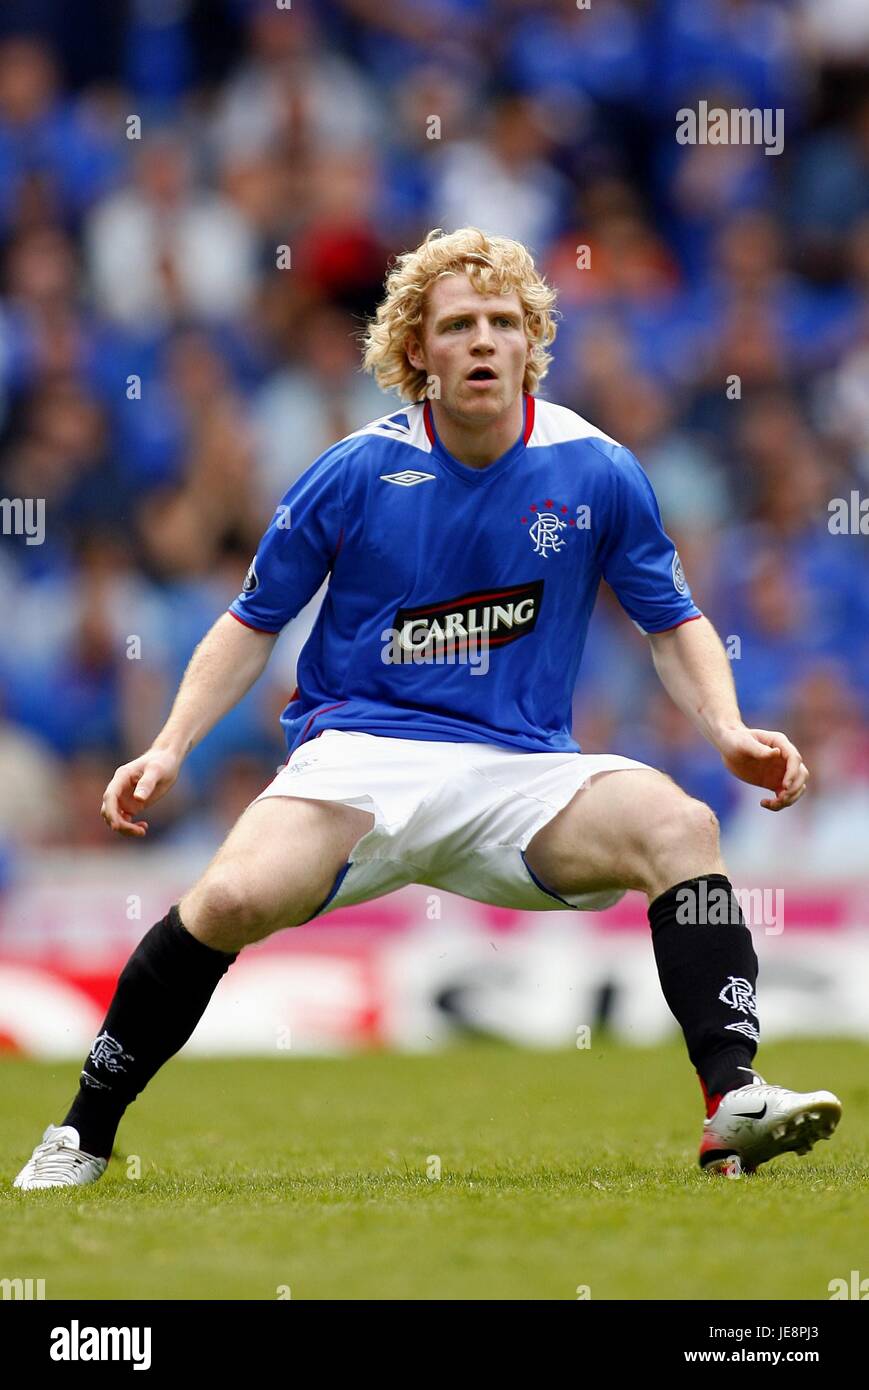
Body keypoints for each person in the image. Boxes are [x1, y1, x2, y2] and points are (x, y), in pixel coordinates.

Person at [14, 227, 840, 1189]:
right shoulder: (356, 469)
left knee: (681, 824)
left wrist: (727, 729)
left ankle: (730, 1100)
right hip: (358, 757)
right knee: (231, 899)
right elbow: (250, 622)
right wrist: (168, 746)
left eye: (502, 323)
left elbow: (674, 621)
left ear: (531, 342)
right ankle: (82, 1132)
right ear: (417, 352)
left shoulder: (597, 468)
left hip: (522, 771)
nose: (483, 341)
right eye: (457, 326)